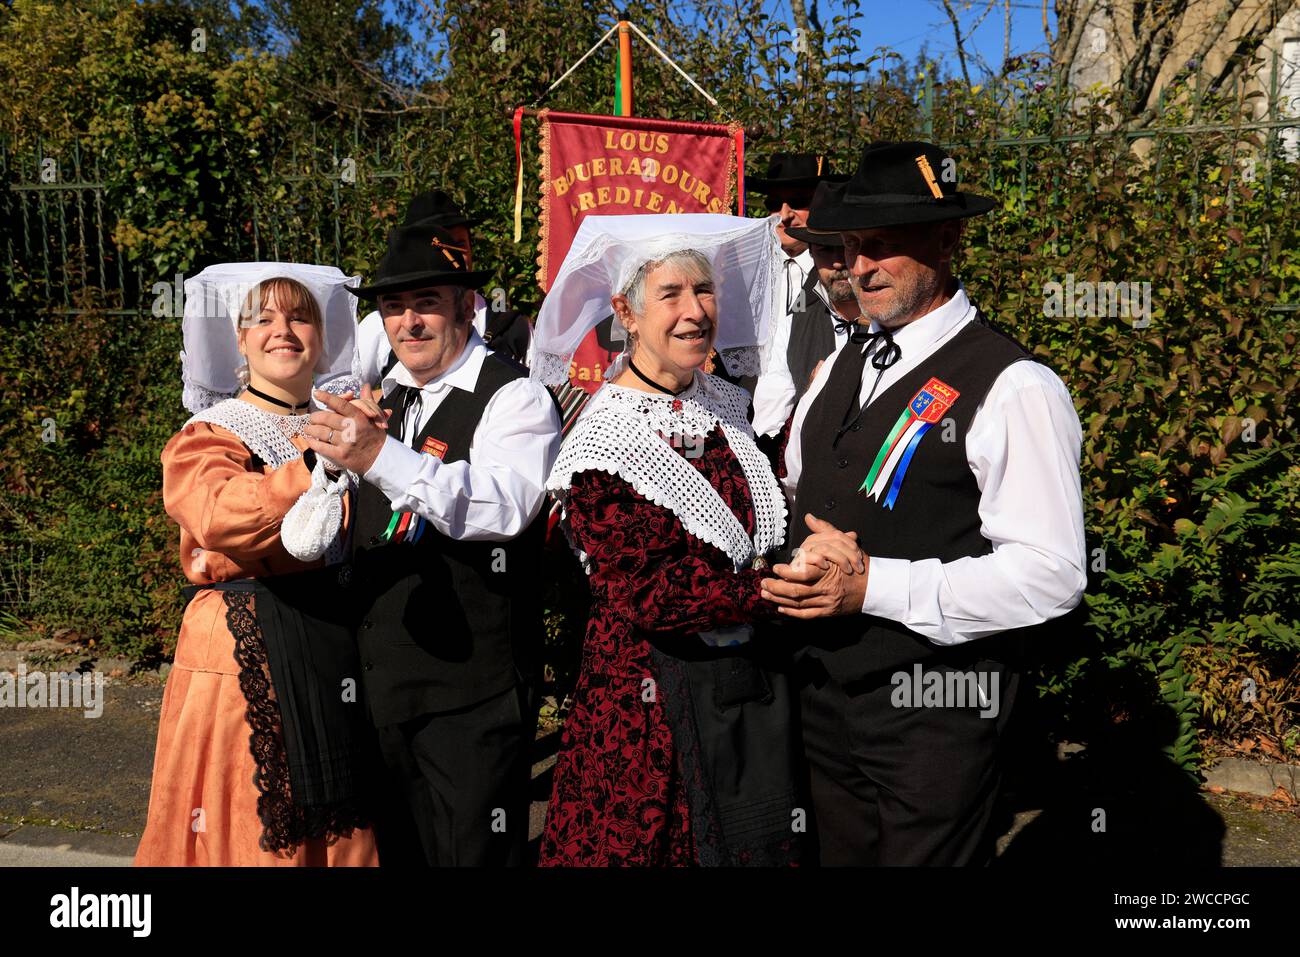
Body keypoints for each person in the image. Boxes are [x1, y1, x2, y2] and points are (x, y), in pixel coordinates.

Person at [760, 141, 1088, 865]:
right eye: (850, 246)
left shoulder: (1015, 385)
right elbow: (800, 489)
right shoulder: (843, 358)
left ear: (947, 239)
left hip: (935, 711)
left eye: (884, 246)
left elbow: (1052, 573)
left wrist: (876, 583)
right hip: (824, 694)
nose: (861, 265)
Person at [529, 214, 847, 866]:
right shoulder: (602, 441)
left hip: (746, 687)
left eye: (703, 291)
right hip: (649, 705)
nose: (694, 311)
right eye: (670, 294)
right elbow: (657, 593)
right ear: (628, 312)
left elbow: (764, 522)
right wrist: (781, 583)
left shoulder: (724, 402)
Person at [303, 223, 561, 867]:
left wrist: (378, 455)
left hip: (473, 690)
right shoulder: (387, 396)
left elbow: (504, 508)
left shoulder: (516, 395)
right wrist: (336, 468)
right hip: (386, 680)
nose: (408, 323)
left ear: (467, 306)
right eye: (393, 308)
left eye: (426, 304)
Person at [135, 264, 380, 867]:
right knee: (255, 824)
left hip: (332, 641)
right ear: (239, 339)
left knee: (339, 817)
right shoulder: (215, 430)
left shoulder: (342, 423)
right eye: (263, 318)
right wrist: (307, 470)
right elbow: (217, 513)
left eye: (300, 317)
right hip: (246, 647)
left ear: (322, 337)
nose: (284, 330)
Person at [353, 190, 531, 383]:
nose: (450, 256)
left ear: (467, 306)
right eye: (438, 247)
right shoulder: (378, 325)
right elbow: (346, 391)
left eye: (458, 245)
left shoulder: (514, 328)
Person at [745, 152, 847, 438]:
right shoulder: (745, 271)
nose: (785, 215)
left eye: (800, 202)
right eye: (775, 204)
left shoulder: (843, 276)